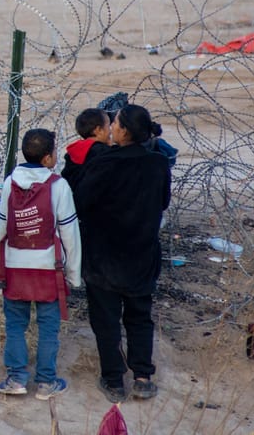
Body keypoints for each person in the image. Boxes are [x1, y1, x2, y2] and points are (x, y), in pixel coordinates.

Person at [71, 104, 171, 403]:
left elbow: (81, 203)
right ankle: (142, 377)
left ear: (125, 130)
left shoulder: (105, 163)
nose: (111, 126)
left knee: (106, 320)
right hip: (141, 253)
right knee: (140, 317)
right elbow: (163, 202)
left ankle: (114, 380)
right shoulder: (157, 163)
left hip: (104, 256)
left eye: (114, 122)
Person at [0, 128, 81, 400]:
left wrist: (3, 263)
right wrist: (74, 274)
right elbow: (70, 234)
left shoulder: (10, 182)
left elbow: (1, 227)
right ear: (47, 158)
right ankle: (46, 382)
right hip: (48, 268)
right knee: (48, 327)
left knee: (15, 324)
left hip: (15, 266)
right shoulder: (59, 185)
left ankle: (16, 378)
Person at [60, 107, 111, 189]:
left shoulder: (73, 151)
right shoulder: (103, 152)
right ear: (98, 130)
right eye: (108, 126)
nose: (110, 131)